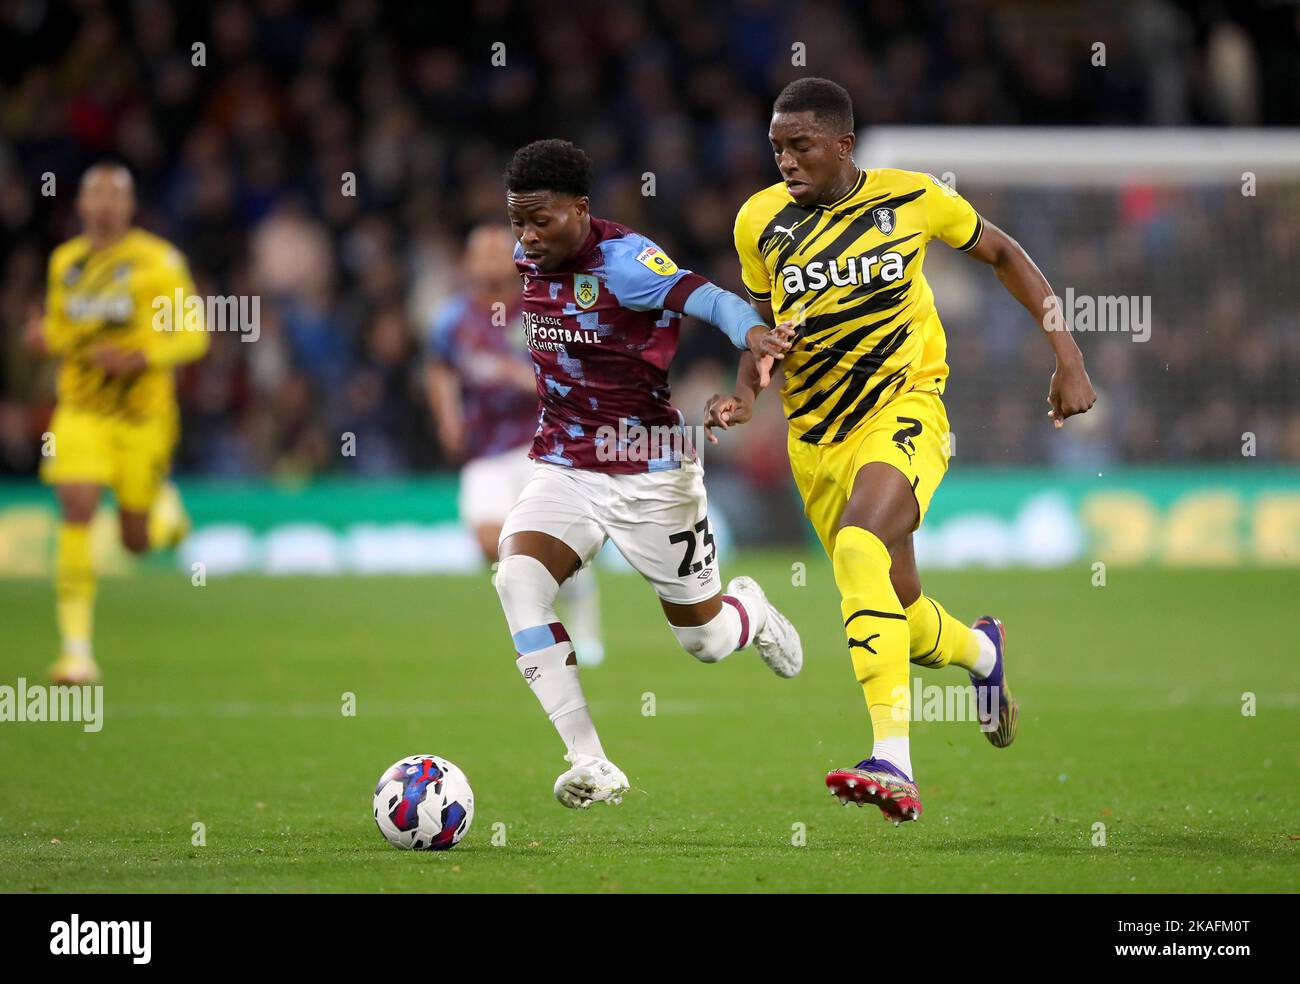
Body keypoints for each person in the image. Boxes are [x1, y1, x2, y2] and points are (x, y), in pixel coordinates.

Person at [708, 78, 1097, 823]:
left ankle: (893, 762)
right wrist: (749, 395)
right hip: (815, 438)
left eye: (802, 146)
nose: (785, 161)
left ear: (844, 146)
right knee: (905, 614)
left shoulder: (911, 198)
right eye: (777, 149)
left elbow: (1004, 253)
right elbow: (764, 330)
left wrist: (1067, 354)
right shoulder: (758, 222)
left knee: (859, 548)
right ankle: (983, 654)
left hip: (906, 410)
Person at [495, 139, 802, 809]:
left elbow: (711, 299)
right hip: (568, 462)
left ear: (580, 209)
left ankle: (750, 608)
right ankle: (590, 761)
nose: (526, 237)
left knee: (706, 640)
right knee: (517, 579)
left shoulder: (626, 263)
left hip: (651, 469)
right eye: (517, 221)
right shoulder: (528, 256)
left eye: (540, 220)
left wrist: (751, 335)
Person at [26, 163, 209, 685]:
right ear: (81, 205)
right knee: (77, 503)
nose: (105, 204)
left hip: (142, 416)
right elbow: (64, 332)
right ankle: (76, 651)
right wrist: (44, 339)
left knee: (135, 541)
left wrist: (143, 356)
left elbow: (194, 335)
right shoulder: (66, 262)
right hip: (81, 410)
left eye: (116, 195)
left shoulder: (158, 261)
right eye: (96, 195)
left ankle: (164, 513)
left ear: (130, 207)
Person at [426, 224, 605, 665]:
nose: (487, 262)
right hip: (484, 448)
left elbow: (571, 375)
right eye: (479, 254)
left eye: (495, 253)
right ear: (468, 264)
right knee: (492, 541)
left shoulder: (538, 310)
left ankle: (577, 614)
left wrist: (518, 378)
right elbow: (438, 368)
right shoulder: (454, 319)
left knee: (541, 540)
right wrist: (448, 416)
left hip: (539, 442)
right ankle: (557, 596)